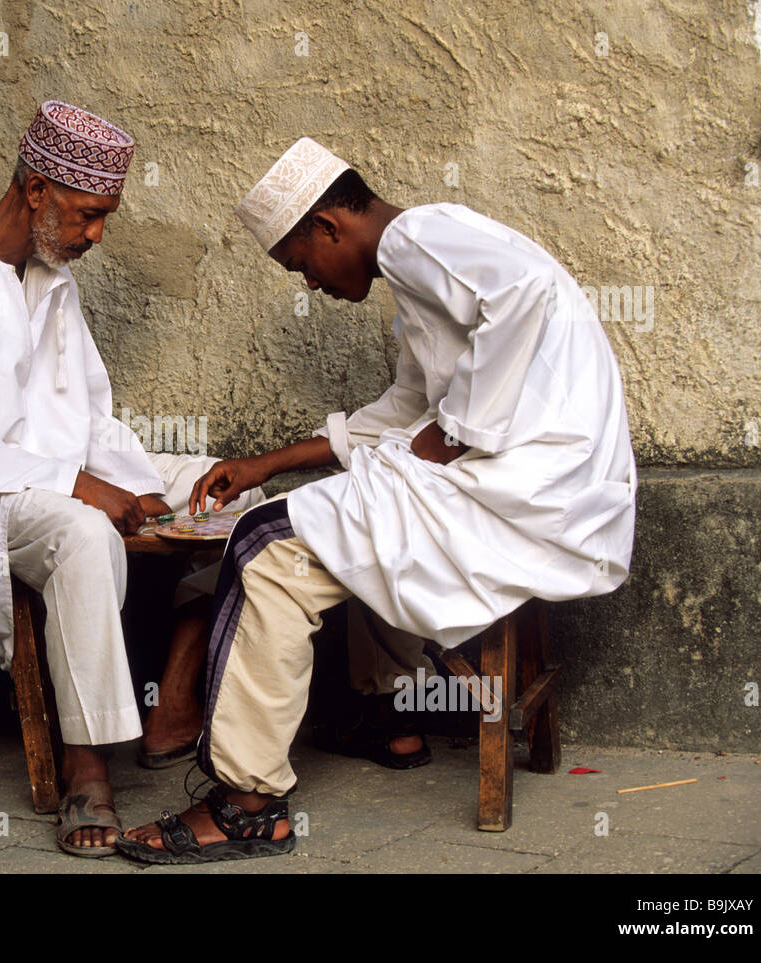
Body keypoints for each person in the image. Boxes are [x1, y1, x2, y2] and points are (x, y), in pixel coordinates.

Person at [118, 137, 636, 864]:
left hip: (526, 492)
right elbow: (401, 413)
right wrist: (270, 460)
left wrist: (456, 433)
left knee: (268, 543)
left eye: (301, 264)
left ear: (330, 227)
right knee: (350, 507)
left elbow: (520, 296)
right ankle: (383, 712)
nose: (311, 285)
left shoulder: (420, 236)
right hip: (542, 496)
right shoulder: (421, 279)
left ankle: (245, 803)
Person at [0, 101, 262, 857]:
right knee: (83, 533)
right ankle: (88, 769)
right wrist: (90, 489)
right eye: (88, 215)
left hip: (57, 476)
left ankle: (176, 696)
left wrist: (137, 482)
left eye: (105, 216)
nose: (96, 235)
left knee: (230, 489)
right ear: (36, 190)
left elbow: (88, 414)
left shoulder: (50, 276)